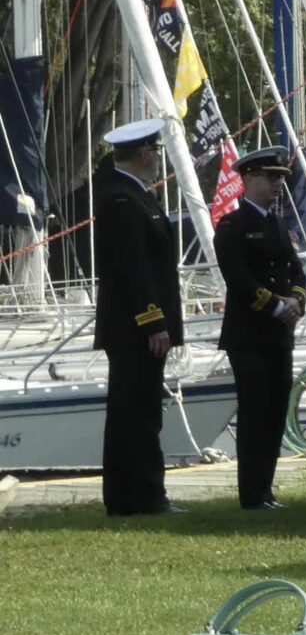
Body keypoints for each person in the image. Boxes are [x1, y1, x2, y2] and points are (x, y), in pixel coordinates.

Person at [93, 119, 183, 516]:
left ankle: (129, 497)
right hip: (134, 329)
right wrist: (153, 322)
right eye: (155, 152)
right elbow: (133, 268)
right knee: (138, 415)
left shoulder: (136, 194)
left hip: (136, 327)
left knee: (137, 411)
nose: (157, 159)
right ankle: (143, 496)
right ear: (145, 155)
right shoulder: (122, 199)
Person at [213, 147, 306, 512]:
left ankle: (266, 489)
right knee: (254, 413)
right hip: (249, 335)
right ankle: (251, 493)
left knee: (275, 413)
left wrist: (297, 300)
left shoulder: (278, 223)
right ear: (248, 179)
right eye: (270, 177)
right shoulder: (233, 226)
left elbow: (295, 271)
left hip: (278, 336)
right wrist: (277, 305)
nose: (277, 184)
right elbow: (239, 280)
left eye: (281, 177)